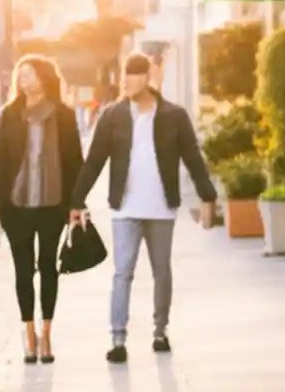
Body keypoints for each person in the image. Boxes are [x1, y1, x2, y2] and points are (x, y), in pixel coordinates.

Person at [69, 52, 217, 364]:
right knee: (122, 273)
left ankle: (160, 331)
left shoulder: (174, 116)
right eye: (124, 75)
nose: (125, 81)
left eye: (132, 75)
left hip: (162, 207)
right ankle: (117, 338)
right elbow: (95, 160)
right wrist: (76, 200)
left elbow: (193, 158)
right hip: (125, 208)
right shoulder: (112, 115)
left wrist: (207, 197)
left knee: (161, 271)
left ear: (146, 77)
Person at [0, 55, 84, 365]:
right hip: (17, 206)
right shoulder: (9, 115)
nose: (23, 78)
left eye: (29, 73)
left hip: (53, 204)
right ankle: (28, 332)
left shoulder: (64, 116)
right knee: (23, 270)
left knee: (49, 267)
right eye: (20, 74)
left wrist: (76, 204)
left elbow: (74, 162)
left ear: (43, 77)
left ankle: (46, 331)